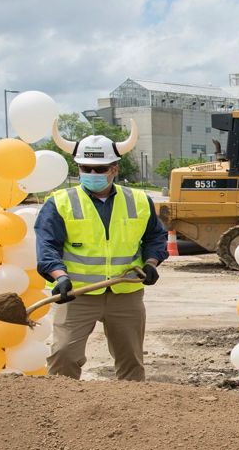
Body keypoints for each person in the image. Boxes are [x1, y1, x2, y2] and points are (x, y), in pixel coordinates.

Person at [36, 120, 168, 381]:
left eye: (100, 168)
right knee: (64, 355)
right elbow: (47, 244)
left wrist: (152, 263)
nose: (93, 173)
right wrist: (59, 276)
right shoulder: (60, 202)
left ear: (114, 169)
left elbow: (156, 236)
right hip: (76, 293)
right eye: (86, 168)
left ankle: (131, 414)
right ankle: (61, 411)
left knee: (131, 361)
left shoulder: (140, 201)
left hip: (125, 292)